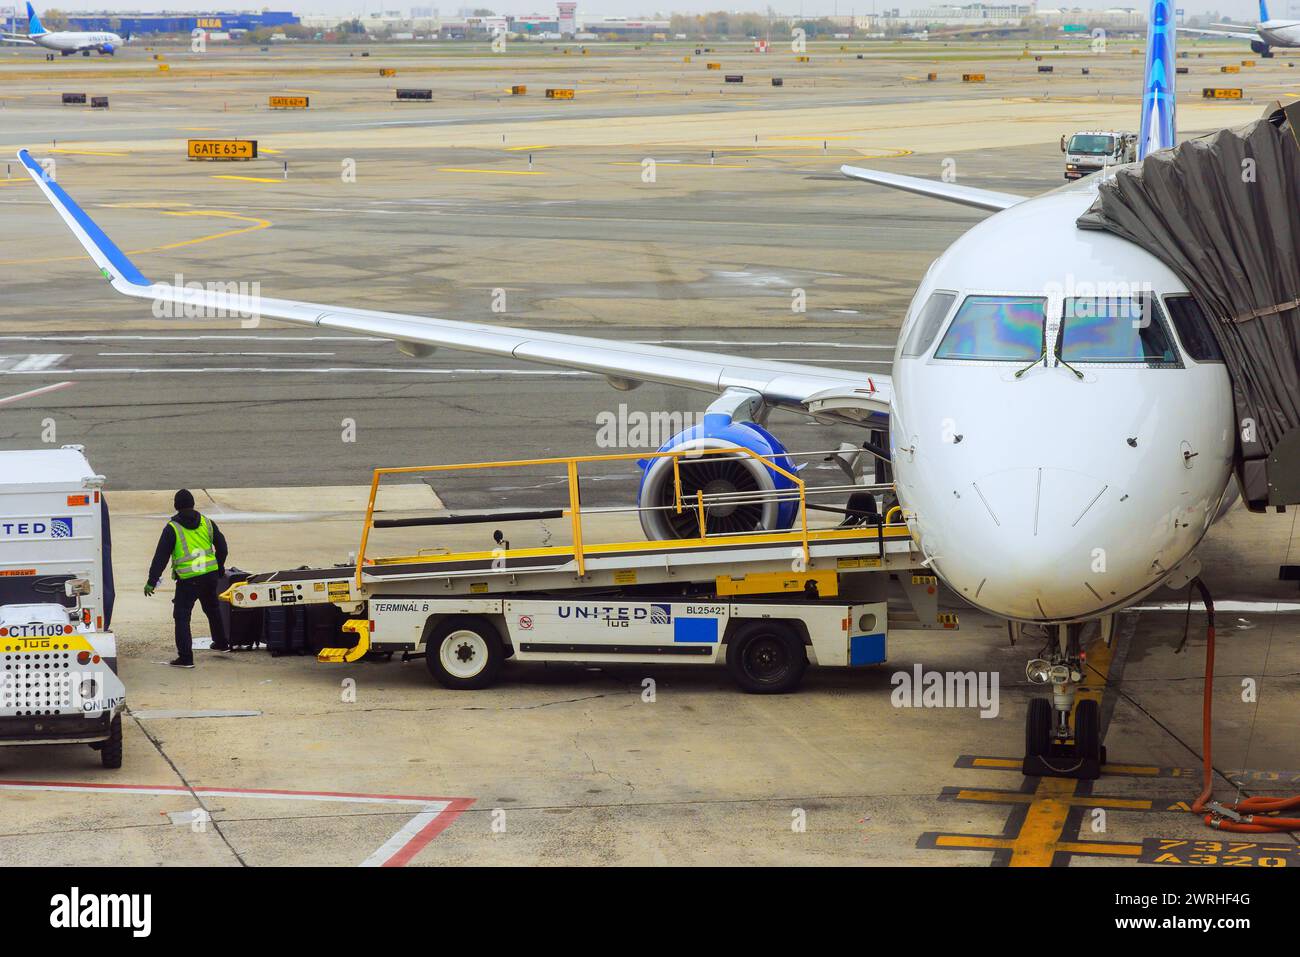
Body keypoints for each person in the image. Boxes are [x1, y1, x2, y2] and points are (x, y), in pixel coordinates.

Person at [144, 489, 230, 667]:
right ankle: (222, 643)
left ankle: (185, 657)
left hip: (188, 580)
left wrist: (152, 581)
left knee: (182, 617)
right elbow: (223, 548)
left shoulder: (172, 528)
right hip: (209, 576)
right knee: (212, 608)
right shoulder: (207, 523)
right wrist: (219, 567)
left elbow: (161, 557)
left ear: (176, 506)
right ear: (193, 504)